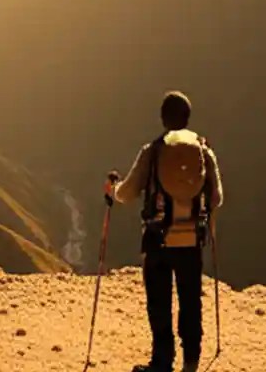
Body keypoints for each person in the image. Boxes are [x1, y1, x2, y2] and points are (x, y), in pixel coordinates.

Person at [105, 91, 223, 372]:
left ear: (163, 118)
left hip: (158, 240)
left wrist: (113, 187)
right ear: (188, 118)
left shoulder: (153, 151)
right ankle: (191, 362)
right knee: (190, 301)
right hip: (192, 240)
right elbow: (216, 197)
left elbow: (128, 193)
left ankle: (161, 363)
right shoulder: (204, 152)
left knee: (160, 303)